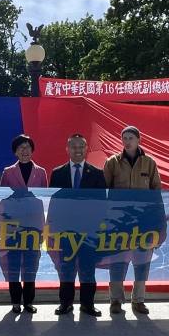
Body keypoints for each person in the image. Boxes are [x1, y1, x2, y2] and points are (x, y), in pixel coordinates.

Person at [103, 126, 163, 315]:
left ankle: (138, 300)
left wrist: (160, 223)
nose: (127, 141)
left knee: (142, 262)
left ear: (139, 140)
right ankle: (115, 300)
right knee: (117, 262)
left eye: (130, 137)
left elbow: (157, 194)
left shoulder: (149, 163)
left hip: (144, 222)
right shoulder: (112, 162)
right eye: (124, 138)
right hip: (118, 223)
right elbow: (103, 194)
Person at [48, 133, 107, 317]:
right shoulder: (57, 173)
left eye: (81, 146)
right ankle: (66, 303)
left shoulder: (97, 174)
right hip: (65, 232)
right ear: (67, 149)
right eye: (74, 146)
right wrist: (52, 229)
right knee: (66, 268)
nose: (77, 150)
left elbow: (102, 204)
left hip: (89, 232)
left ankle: (87, 304)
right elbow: (54, 203)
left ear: (86, 149)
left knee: (88, 268)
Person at [0, 134, 48, 313]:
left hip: (34, 226)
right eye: (21, 148)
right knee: (12, 264)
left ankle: (28, 302)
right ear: (15, 152)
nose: (24, 150)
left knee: (30, 264)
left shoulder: (41, 172)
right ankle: (15, 302)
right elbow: (2, 199)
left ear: (32, 150)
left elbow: (44, 199)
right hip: (12, 227)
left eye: (27, 147)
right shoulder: (8, 172)